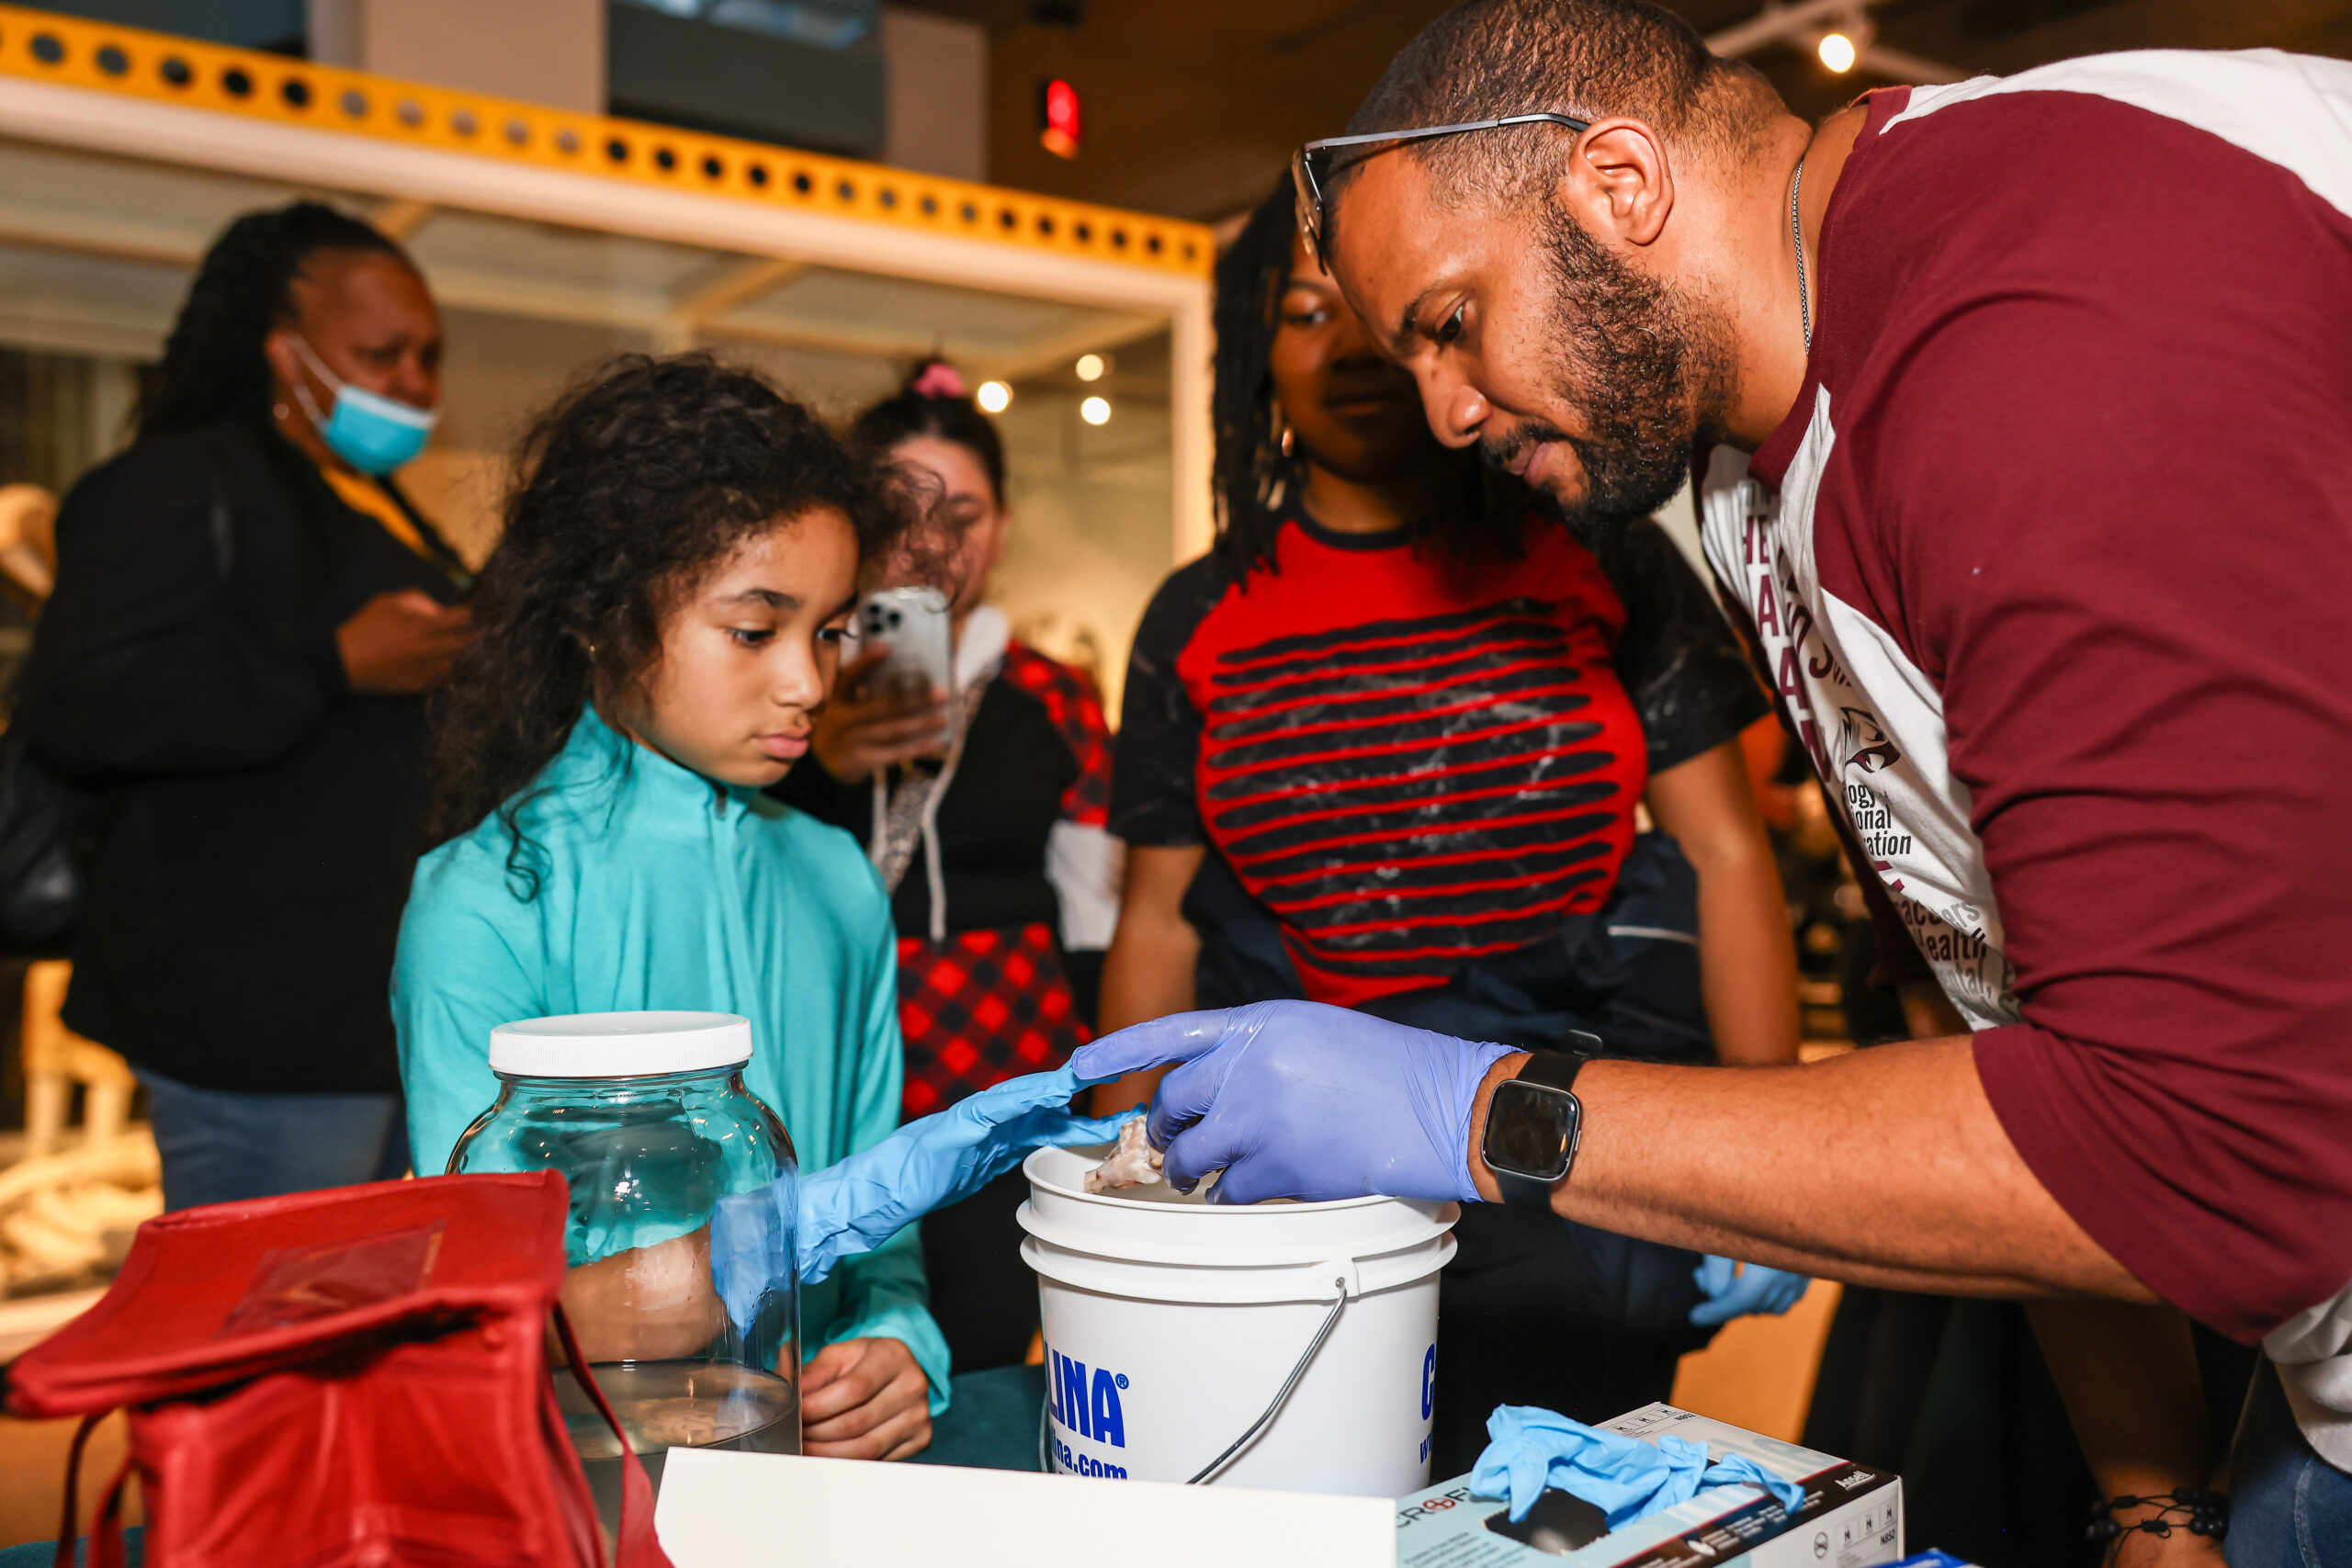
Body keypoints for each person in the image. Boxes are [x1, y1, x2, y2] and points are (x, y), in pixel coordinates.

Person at [1078, 6, 2352, 1564]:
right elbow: (2007, 1020)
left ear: (1618, 182)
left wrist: (1483, 1109)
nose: (1446, 415)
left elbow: (2202, 1143)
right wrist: (2156, 1505)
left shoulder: (2029, 325)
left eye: (1453, 320)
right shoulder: (1757, 491)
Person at [1096, 178, 1803, 1468]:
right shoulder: (1195, 615)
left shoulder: (1597, 547)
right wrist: (1125, 1172)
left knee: (1565, 1515)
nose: (1349, 349)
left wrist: (1765, 1168)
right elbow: (1156, 918)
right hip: (1304, 1169)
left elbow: (1725, 849)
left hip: (1577, 1135)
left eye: (1373, 312)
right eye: (1305, 314)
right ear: (1254, 354)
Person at [394, 355, 955, 1461]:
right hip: (587, 1477)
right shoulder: (486, 901)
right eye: (756, 630)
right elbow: (481, 1304)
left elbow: (885, 1243)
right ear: (608, 618)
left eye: (831, 630)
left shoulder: (838, 878)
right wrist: (769, 1267)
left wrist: (896, 1347)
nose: (808, 682)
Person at [17, 201, 472, 1212]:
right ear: (283, 352)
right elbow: (84, 702)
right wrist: (333, 661)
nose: (413, 384)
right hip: (255, 1033)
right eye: (381, 352)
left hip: (366, 1020)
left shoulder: (364, 496)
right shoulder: (174, 485)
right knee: (259, 1330)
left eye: (428, 357)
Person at [772, 359, 1119, 1373]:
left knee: (981, 1353)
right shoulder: (794, 677)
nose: (931, 545)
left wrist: (1105, 1121)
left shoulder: (1053, 699)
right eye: (895, 512)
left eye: (960, 514)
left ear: (1002, 527)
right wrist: (825, 761)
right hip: (835, 1066)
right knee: (826, 1348)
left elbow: (1095, 918)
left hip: (1009, 1079)